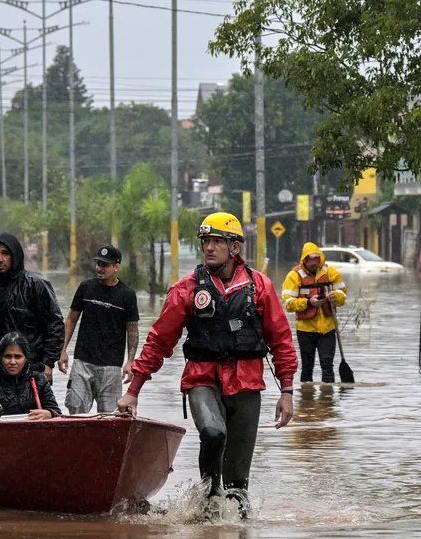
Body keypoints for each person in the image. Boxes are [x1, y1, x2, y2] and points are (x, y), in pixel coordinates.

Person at [117, 212, 297, 518]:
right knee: (213, 433)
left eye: (216, 241)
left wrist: (288, 391)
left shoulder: (260, 287)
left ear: (235, 247)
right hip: (202, 379)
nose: (209, 248)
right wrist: (133, 390)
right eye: (206, 242)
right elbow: (158, 342)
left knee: (239, 483)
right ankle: (208, 500)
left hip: (247, 384)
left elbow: (281, 340)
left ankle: (234, 533)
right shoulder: (186, 290)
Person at [58, 244, 139, 414]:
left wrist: (130, 361)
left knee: (109, 416)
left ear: (116, 267)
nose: (100, 268)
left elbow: (132, 330)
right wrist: (62, 349)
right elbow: (71, 319)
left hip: (111, 367)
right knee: (75, 407)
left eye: (105, 265)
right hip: (82, 362)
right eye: (98, 264)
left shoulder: (127, 295)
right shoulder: (86, 287)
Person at [0, 232, 64, 382]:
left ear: (15, 255)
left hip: (34, 368)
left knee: (37, 406)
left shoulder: (36, 285)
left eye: (5, 254)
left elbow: (55, 326)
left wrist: (48, 363)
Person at [281, 242, 347, 383]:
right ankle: (306, 399)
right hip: (305, 330)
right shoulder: (294, 276)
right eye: (310, 261)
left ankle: (327, 401)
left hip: (328, 328)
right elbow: (288, 303)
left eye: (316, 260)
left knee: (327, 366)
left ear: (320, 259)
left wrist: (336, 296)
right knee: (307, 368)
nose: (313, 264)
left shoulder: (330, 272)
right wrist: (308, 302)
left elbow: (343, 295)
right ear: (304, 260)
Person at [0, 333, 60, 419]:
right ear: (0, 357)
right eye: (8, 356)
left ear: (26, 358)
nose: (12, 362)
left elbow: (57, 413)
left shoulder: (39, 379)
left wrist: (49, 413)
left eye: (18, 357)